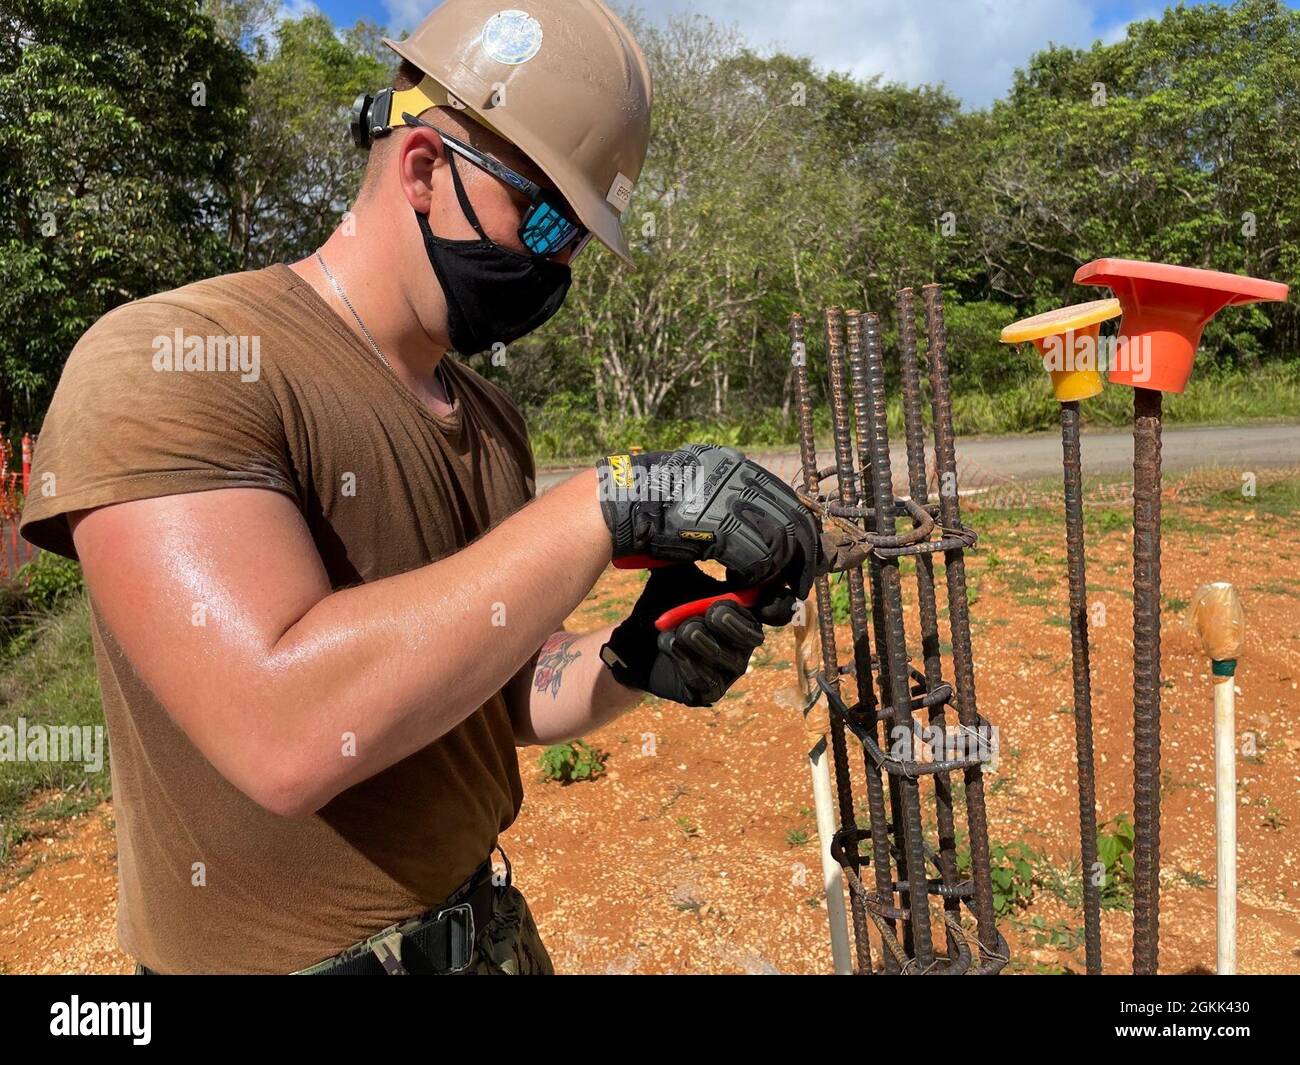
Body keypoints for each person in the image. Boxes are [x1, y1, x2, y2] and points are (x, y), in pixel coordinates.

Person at [20, 0, 816, 975]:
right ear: (426, 170)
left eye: (575, 241)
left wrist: (628, 661)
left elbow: (493, 691)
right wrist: (603, 505)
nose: (557, 265)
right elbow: (281, 732)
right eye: (547, 219)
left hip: (485, 937)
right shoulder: (176, 360)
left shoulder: (492, 419)